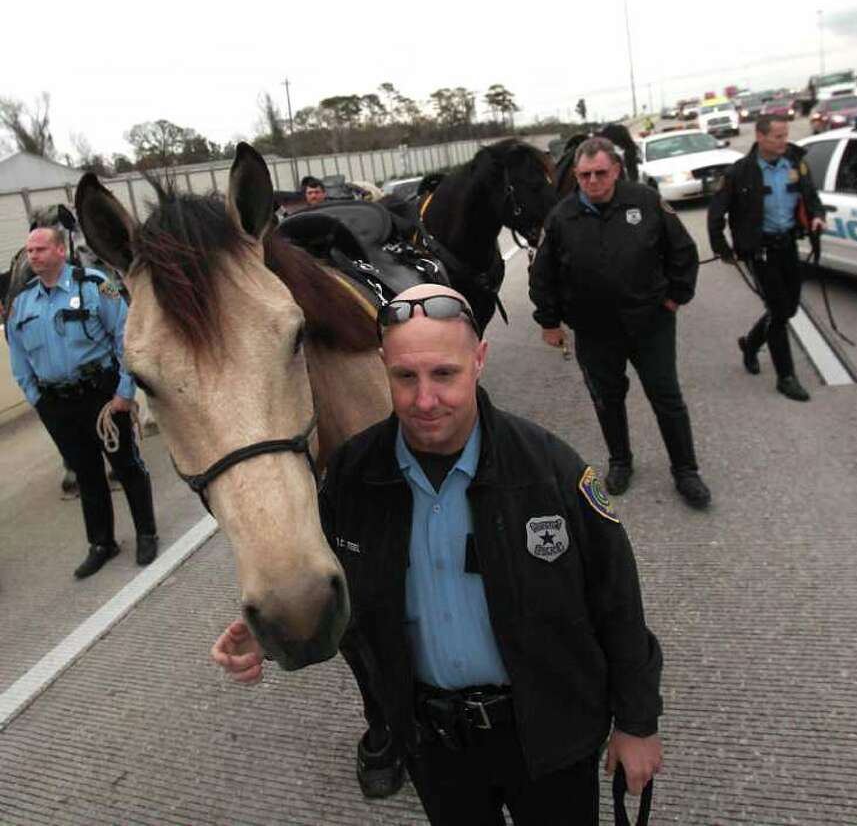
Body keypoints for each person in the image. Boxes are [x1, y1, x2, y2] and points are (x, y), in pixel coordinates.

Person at [212, 284, 664, 824]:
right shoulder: (352, 478)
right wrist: (274, 633)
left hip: (550, 736)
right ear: (383, 367)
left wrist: (637, 723)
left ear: (479, 359)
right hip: (434, 745)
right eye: (405, 377)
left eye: (444, 374)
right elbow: (331, 580)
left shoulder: (551, 470)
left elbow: (618, 602)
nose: (425, 400)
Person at [529, 136, 711, 508]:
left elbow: (682, 250)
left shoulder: (645, 201)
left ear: (615, 170)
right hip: (594, 331)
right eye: (584, 175)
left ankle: (686, 471)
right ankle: (620, 462)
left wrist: (676, 296)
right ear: (576, 175)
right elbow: (542, 275)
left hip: (650, 325)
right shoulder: (561, 218)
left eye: (600, 173)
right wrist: (549, 321)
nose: (592, 181)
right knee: (607, 400)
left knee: (666, 397)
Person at [7, 227, 159, 577]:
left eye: (40, 249)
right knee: (87, 474)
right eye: (29, 250)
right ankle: (102, 543)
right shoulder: (22, 303)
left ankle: (146, 533)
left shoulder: (94, 286)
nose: (33, 256)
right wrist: (39, 402)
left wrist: (124, 392)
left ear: (61, 251)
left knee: (127, 467)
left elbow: (125, 339)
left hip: (102, 397)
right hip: (57, 403)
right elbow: (19, 359)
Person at [707, 115, 828, 402]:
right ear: (760, 137)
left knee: (788, 308)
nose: (784, 141)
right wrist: (723, 249)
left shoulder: (795, 163)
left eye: (786, 135)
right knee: (778, 311)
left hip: (787, 244)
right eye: (778, 136)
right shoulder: (739, 173)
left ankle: (751, 344)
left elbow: (810, 197)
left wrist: (817, 216)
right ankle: (786, 377)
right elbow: (716, 214)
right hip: (759, 250)